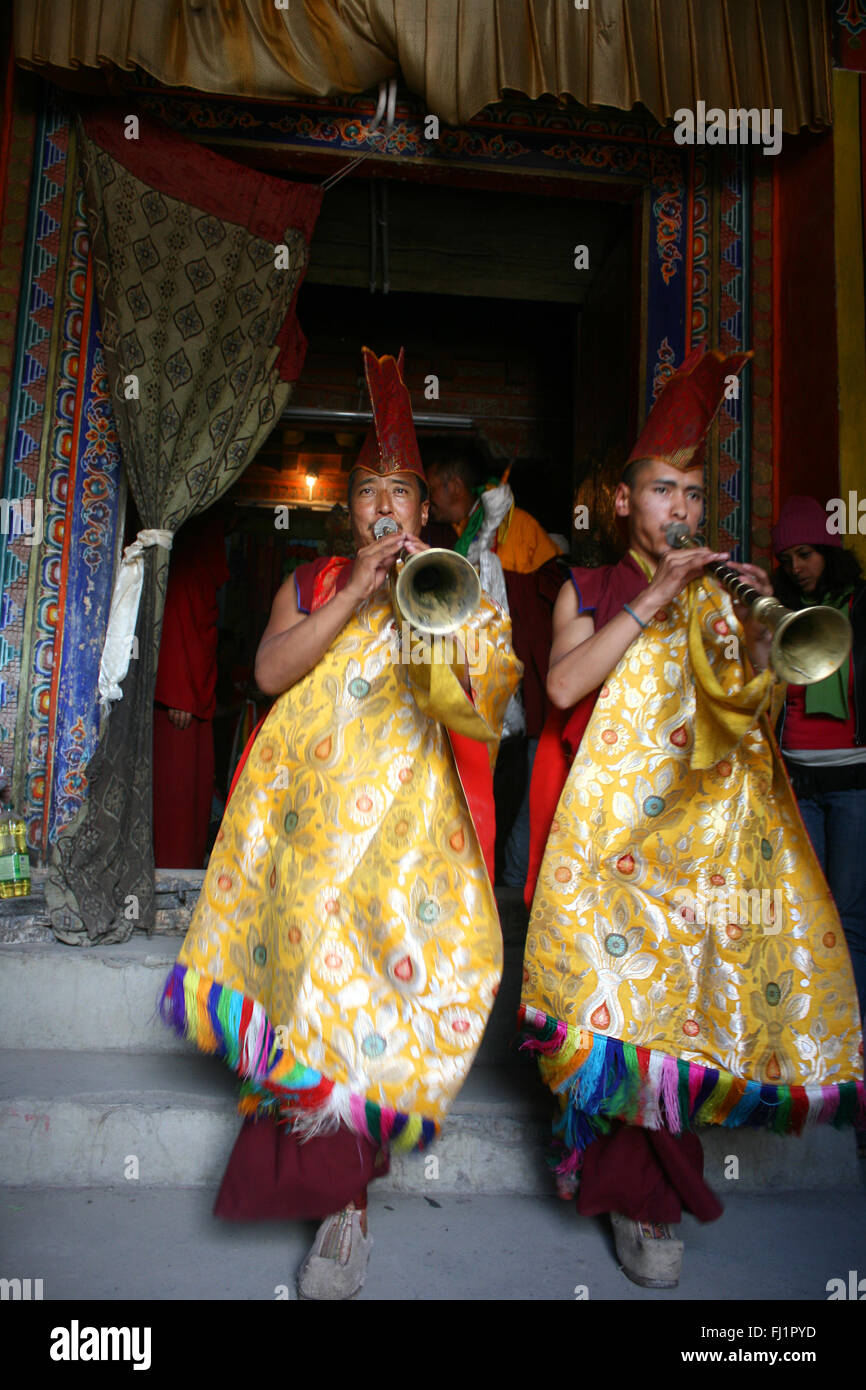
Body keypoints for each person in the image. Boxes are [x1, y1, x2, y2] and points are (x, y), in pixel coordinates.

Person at [160, 348, 521, 1300]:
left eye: (401, 491)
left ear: (427, 507)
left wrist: (428, 611)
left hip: (414, 854)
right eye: (369, 493)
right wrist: (359, 589)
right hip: (314, 849)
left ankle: (348, 1201)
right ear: (348, 507)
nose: (386, 508)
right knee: (318, 1006)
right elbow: (271, 675)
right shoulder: (314, 582)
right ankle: (341, 1210)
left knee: (384, 1010)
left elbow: (484, 711)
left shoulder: (456, 590)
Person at [519, 347, 865, 1289]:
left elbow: (752, 719)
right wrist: (654, 597)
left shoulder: (724, 594)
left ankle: (653, 1203)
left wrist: (757, 634)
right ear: (625, 502)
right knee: (610, 1010)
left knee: (680, 1018)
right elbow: (561, 685)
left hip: (703, 854)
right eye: (665, 489)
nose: (684, 507)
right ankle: (623, 1183)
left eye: (697, 492)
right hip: (605, 852)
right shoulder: (584, 588)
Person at [425, 443, 563, 886]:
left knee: (512, 774)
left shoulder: (515, 525)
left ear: (453, 485)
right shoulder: (450, 535)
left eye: (433, 491)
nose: (430, 503)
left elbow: (535, 599)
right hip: (460, 674)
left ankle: (505, 874)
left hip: (511, 676)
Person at [772, 495, 866, 1026]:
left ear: (829, 550)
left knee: (850, 919)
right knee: (807, 918)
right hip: (798, 779)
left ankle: (853, 1055)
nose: (797, 567)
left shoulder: (862, 605)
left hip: (855, 780)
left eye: (806, 554)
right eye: (788, 559)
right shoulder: (784, 611)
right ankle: (811, 1046)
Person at [153, 508, 229, 868]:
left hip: (197, 700)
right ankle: (171, 874)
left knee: (195, 799)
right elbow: (173, 622)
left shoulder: (201, 575)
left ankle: (187, 869)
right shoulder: (185, 571)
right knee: (176, 801)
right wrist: (179, 694)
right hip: (179, 705)